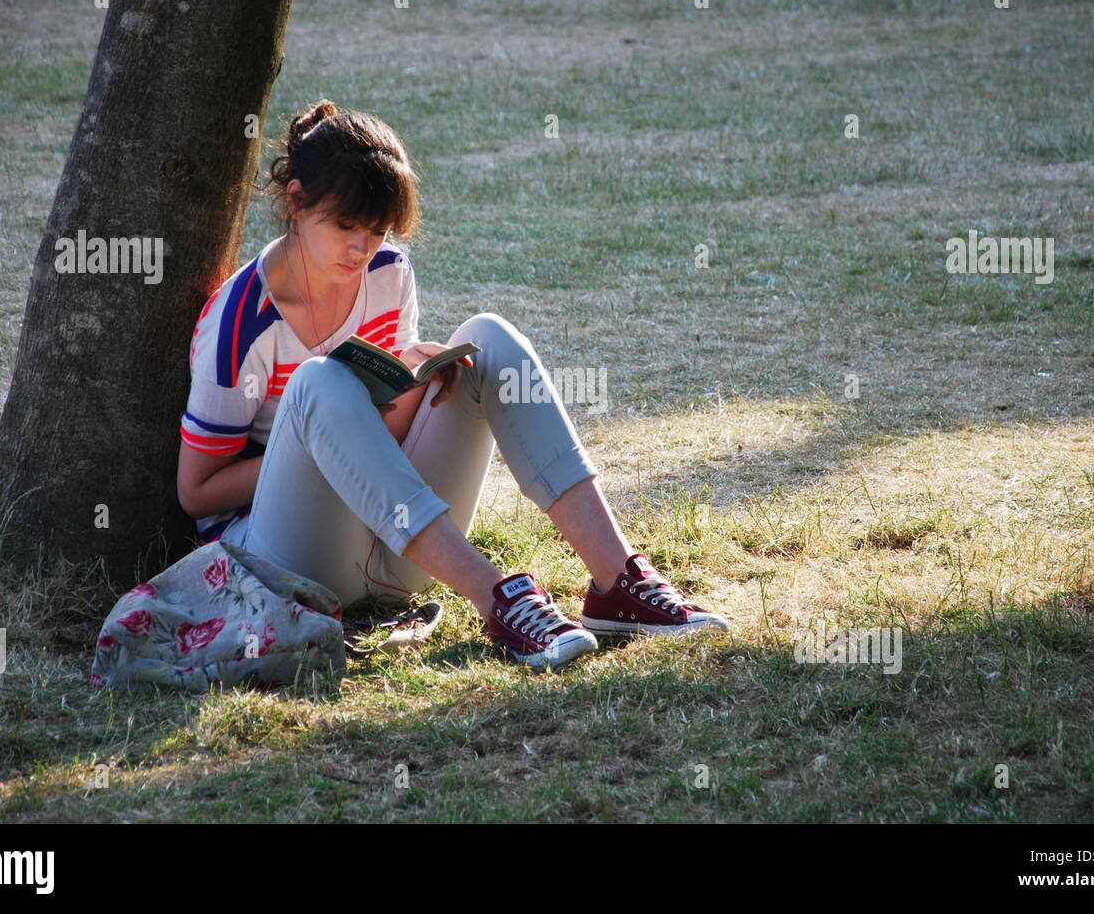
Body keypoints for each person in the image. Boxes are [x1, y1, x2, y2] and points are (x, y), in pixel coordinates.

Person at [176, 98, 730, 669]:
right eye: (345, 226)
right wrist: (327, 441)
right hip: (289, 565)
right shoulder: (240, 319)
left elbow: (382, 435)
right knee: (320, 384)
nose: (362, 249)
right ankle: (499, 601)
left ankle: (618, 583)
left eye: (378, 229)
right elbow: (196, 491)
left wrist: (417, 378)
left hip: (394, 555)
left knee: (487, 338)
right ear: (296, 203)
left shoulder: (387, 272)